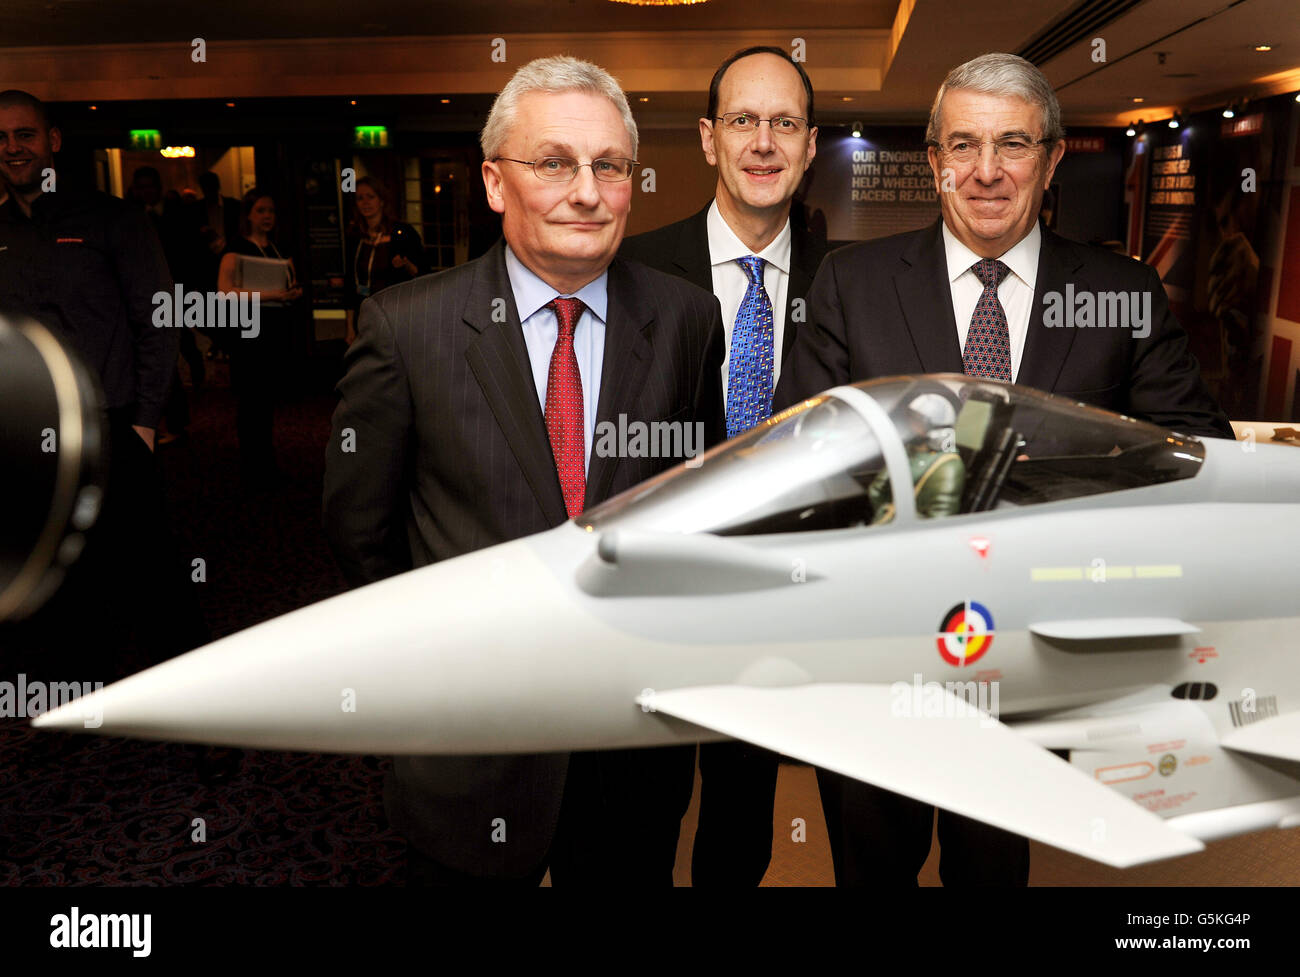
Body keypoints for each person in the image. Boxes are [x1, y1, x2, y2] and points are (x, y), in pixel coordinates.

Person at [774, 52, 1232, 888]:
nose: (986, 172)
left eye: (1013, 145)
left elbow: (1197, 454)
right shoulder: (853, 283)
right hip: (882, 659)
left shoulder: (1121, 291)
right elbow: (800, 461)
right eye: (965, 145)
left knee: (992, 869)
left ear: (1052, 158)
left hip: (1036, 665)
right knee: (872, 868)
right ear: (935, 159)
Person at [323, 55, 725, 887]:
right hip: (471, 742)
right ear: (496, 183)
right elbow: (360, 534)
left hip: (629, 744)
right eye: (554, 162)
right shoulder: (407, 327)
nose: (586, 190)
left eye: (609, 165)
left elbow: (697, 505)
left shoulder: (687, 318)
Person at [619, 45, 827, 887]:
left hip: (776, 614)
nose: (764, 142)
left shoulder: (855, 284)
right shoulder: (629, 270)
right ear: (709, 138)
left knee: (741, 829)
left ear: (812, 146)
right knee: (635, 821)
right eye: (744, 120)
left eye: (785, 123)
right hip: (649, 611)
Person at [0, 89, 205, 678]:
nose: (14, 148)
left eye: (25, 135)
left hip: (113, 426)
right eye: (3, 139)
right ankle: (74, 702)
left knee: (155, 578)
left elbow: (157, 318)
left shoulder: (112, 218)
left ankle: (197, 715)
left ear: (53, 141)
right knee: (57, 576)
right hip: (29, 433)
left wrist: (144, 420)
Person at [217, 188, 302, 484]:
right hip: (248, 334)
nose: (268, 217)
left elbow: (291, 284)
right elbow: (224, 293)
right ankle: (252, 465)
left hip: (274, 333)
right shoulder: (235, 249)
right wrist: (271, 294)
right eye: (261, 211)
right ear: (249, 216)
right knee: (250, 402)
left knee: (266, 401)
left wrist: (291, 293)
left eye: (271, 211)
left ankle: (265, 462)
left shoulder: (278, 248)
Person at [342, 175, 426, 345]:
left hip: (395, 314)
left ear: (381, 200)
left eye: (370, 197)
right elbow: (350, 283)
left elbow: (422, 273)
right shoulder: (354, 236)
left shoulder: (403, 232)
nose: (365, 202)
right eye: (360, 198)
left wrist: (405, 265)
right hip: (364, 314)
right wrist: (349, 327)